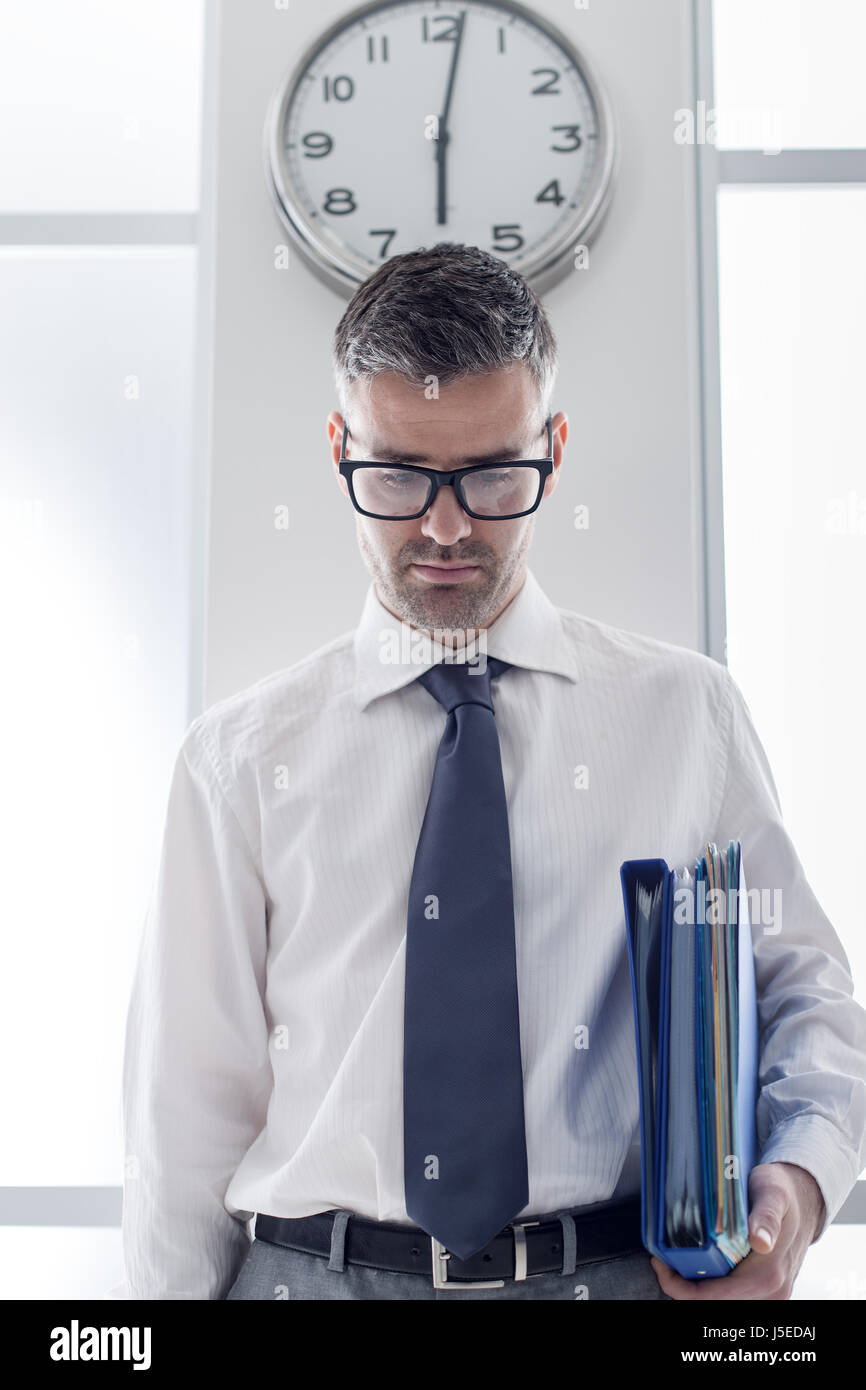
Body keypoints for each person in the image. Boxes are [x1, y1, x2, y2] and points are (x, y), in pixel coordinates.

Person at [107, 243, 866, 1302]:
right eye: (398, 475)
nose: (446, 524)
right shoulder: (237, 760)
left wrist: (798, 1184)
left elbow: (803, 995)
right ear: (338, 447)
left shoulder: (686, 717)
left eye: (493, 475)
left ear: (553, 446)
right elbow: (182, 1122)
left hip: (608, 1277)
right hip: (312, 1279)